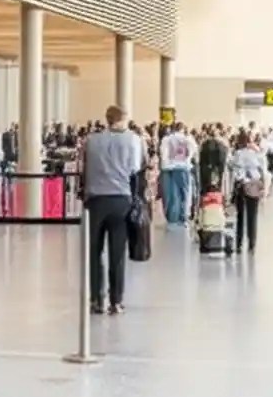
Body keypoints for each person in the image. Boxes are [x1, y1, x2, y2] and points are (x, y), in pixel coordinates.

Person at [82, 106, 145, 314]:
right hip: (121, 200)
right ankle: (115, 300)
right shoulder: (133, 139)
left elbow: (85, 167)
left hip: (95, 200)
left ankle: (95, 299)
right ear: (122, 119)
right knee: (117, 252)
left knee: (94, 250)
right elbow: (135, 169)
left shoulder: (91, 140)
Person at [229, 130, 267, 253]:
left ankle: (238, 244)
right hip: (254, 184)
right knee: (253, 215)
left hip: (241, 185)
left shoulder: (237, 153)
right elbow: (263, 168)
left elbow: (231, 166)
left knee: (240, 216)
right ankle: (252, 243)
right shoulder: (256, 153)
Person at [158, 122, 197, 227]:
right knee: (184, 193)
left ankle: (172, 217)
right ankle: (183, 215)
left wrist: (165, 165)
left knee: (171, 193)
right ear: (183, 129)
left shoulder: (167, 139)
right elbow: (193, 151)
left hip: (169, 169)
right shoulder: (188, 139)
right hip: (184, 168)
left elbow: (163, 154)